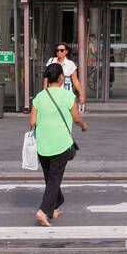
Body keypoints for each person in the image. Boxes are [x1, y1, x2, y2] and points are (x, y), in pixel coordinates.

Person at [30, 63, 86, 227]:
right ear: (61, 77)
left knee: (50, 178)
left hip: (42, 144)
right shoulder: (68, 97)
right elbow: (76, 118)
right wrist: (83, 125)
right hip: (61, 144)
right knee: (54, 179)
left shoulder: (39, 97)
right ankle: (42, 211)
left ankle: (54, 205)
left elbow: (32, 121)